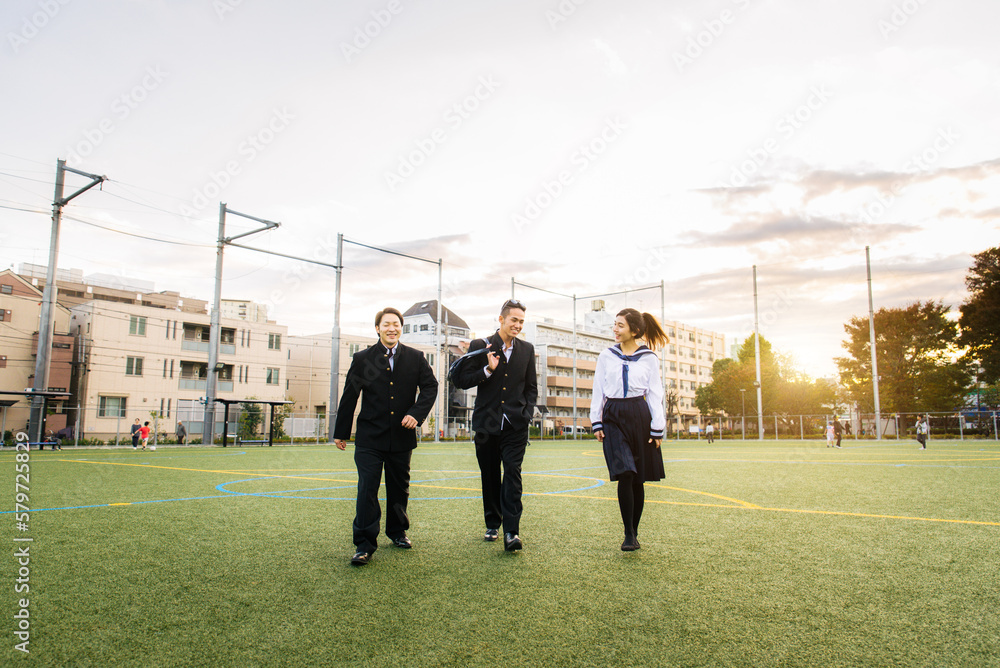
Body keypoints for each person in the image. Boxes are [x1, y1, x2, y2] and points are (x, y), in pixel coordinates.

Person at [334, 307, 438, 566]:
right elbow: (350, 396)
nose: (392, 328)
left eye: (396, 324)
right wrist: (341, 432)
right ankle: (364, 544)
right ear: (377, 328)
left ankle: (397, 531)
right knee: (367, 488)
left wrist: (417, 414)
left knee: (398, 487)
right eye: (386, 324)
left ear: (401, 328)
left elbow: (430, 387)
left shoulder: (415, 358)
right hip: (370, 437)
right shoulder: (362, 359)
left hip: (401, 437)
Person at [452, 299, 537, 552]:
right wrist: (487, 371)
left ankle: (512, 531)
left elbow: (531, 387)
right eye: (514, 320)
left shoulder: (527, 349)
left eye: (522, 321)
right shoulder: (481, 345)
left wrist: (527, 413)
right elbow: (461, 380)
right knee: (490, 476)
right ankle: (492, 523)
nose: (518, 325)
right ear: (501, 320)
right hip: (487, 425)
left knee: (512, 473)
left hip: (516, 426)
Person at [590, 308, 668, 552]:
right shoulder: (606, 356)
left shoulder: (649, 358)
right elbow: (598, 390)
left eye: (620, 325)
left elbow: (655, 393)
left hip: (639, 415)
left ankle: (635, 532)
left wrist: (657, 428)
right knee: (624, 472)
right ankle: (628, 533)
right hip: (613, 416)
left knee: (637, 477)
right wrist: (597, 420)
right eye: (614, 324)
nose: (615, 329)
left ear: (634, 331)